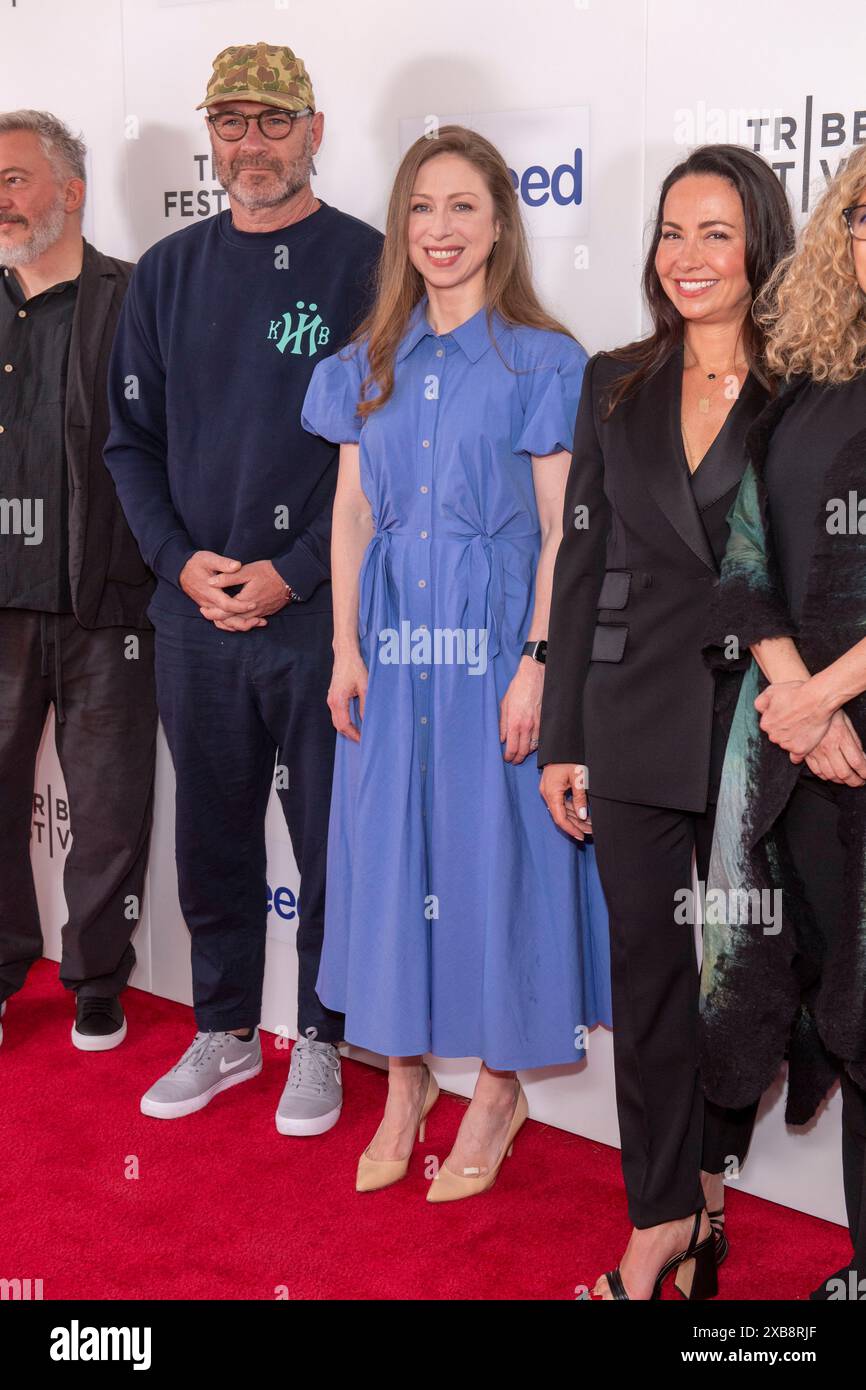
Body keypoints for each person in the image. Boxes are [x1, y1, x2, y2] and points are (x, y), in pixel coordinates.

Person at [300, 124, 611, 1200]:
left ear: (498, 223)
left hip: (490, 646)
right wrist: (342, 646)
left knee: (493, 857)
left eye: (462, 207)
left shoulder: (542, 358)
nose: (440, 229)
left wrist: (535, 661)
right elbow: (347, 511)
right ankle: (401, 1078)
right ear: (402, 225)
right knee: (392, 858)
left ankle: (494, 1086)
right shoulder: (364, 362)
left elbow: (560, 529)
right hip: (386, 646)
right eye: (421, 208)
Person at [104, 43, 383, 1132]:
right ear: (209, 137)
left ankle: (319, 1035)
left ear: (313, 131)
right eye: (230, 122)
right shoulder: (166, 270)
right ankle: (222, 1028)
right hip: (193, 615)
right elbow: (131, 443)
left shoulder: (368, 264)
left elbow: (381, 449)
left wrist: (294, 570)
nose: (250, 143)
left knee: (327, 837)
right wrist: (182, 565)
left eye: (272, 122)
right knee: (212, 833)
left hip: (318, 614)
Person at [538, 144, 794, 1298]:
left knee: (740, 980)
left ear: (758, 250)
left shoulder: (808, 387)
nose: (687, 258)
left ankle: (706, 1191)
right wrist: (564, 735)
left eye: (715, 235)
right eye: (670, 233)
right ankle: (657, 1221)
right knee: (646, 975)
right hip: (634, 719)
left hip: (763, 729)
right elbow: (579, 569)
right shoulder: (612, 380)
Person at [700, 142, 866, 1300]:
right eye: (861, 213)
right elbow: (744, 549)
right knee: (851, 1022)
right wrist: (792, 693)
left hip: (829, 718)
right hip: (804, 756)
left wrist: (826, 689)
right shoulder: (806, 378)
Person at [0, 110, 156, 1053]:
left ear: (71, 190)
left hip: (106, 604)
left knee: (108, 807)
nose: (2, 198)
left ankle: (98, 977)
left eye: (17, 177)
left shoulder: (132, 300)